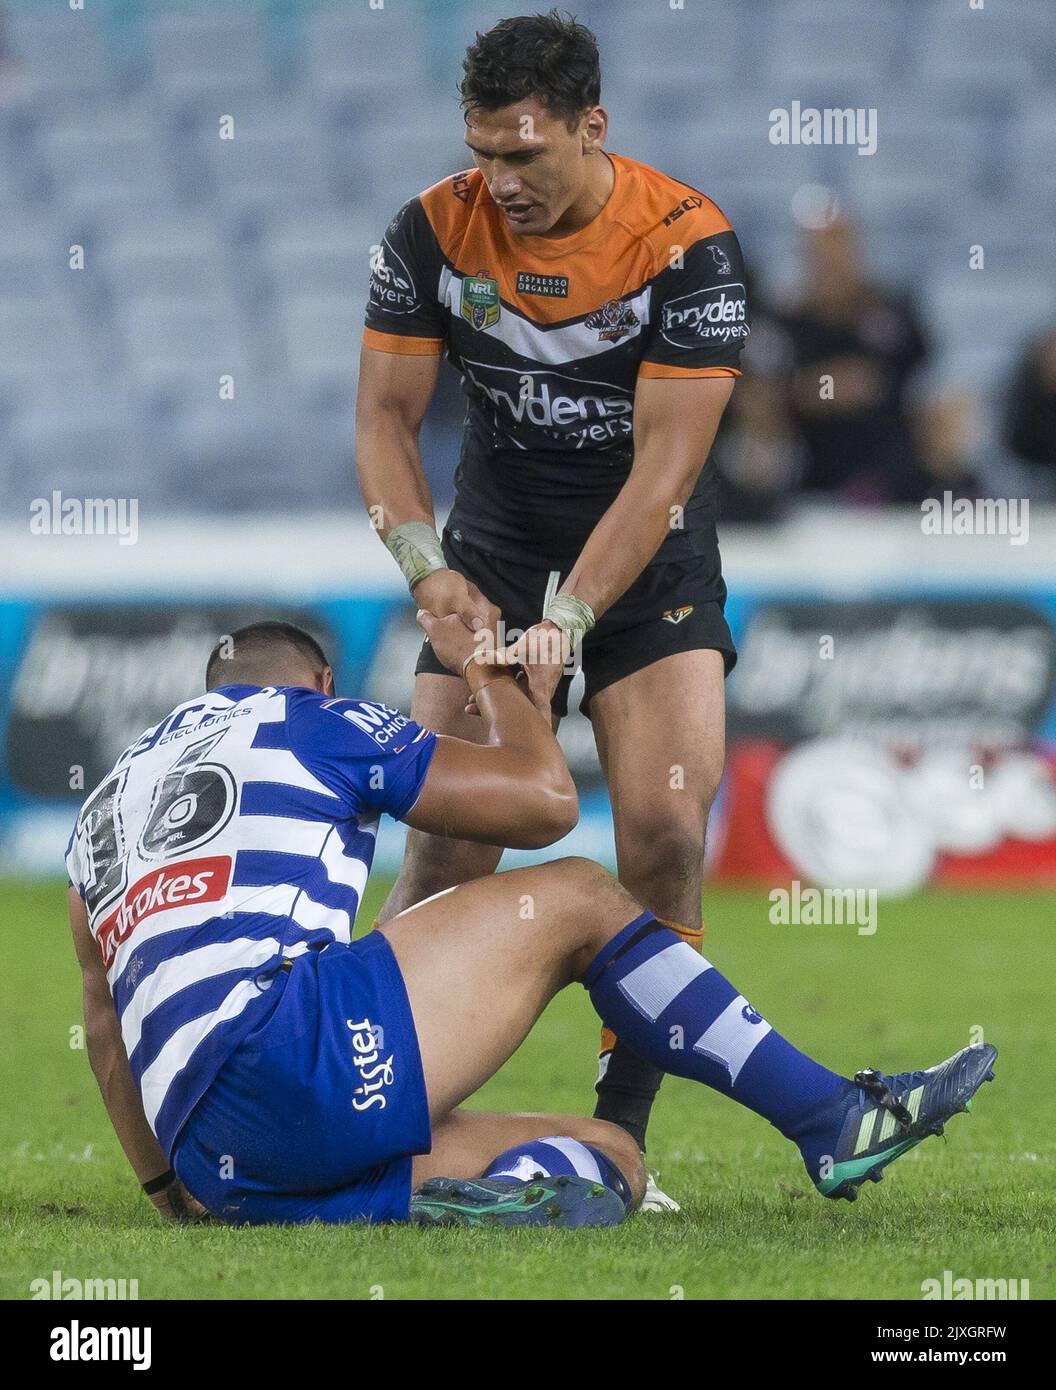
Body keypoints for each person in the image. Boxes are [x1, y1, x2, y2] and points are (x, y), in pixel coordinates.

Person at [66, 621, 996, 1228]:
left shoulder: (103, 809)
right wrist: (503, 683)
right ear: (317, 678)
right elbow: (545, 802)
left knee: (612, 1164)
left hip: (223, 1156)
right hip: (295, 1053)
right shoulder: (310, 720)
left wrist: (171, 1195)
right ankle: (831, 1117)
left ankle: (491, 1206)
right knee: (584, 894)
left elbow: (107, 1031)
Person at [356, 10, 749, 1200]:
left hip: (648, 559)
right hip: (492, 549)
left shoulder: (688, 245)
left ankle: (620, 1138)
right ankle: (372, 1110)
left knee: (668, 834)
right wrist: (427, 567)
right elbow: (382, 421)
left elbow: (663, 473)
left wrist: (570, 621)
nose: (502, 180)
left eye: (526, 154)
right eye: (485, 153)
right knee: (443, 853)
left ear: (594, 128)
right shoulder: (431, 229)